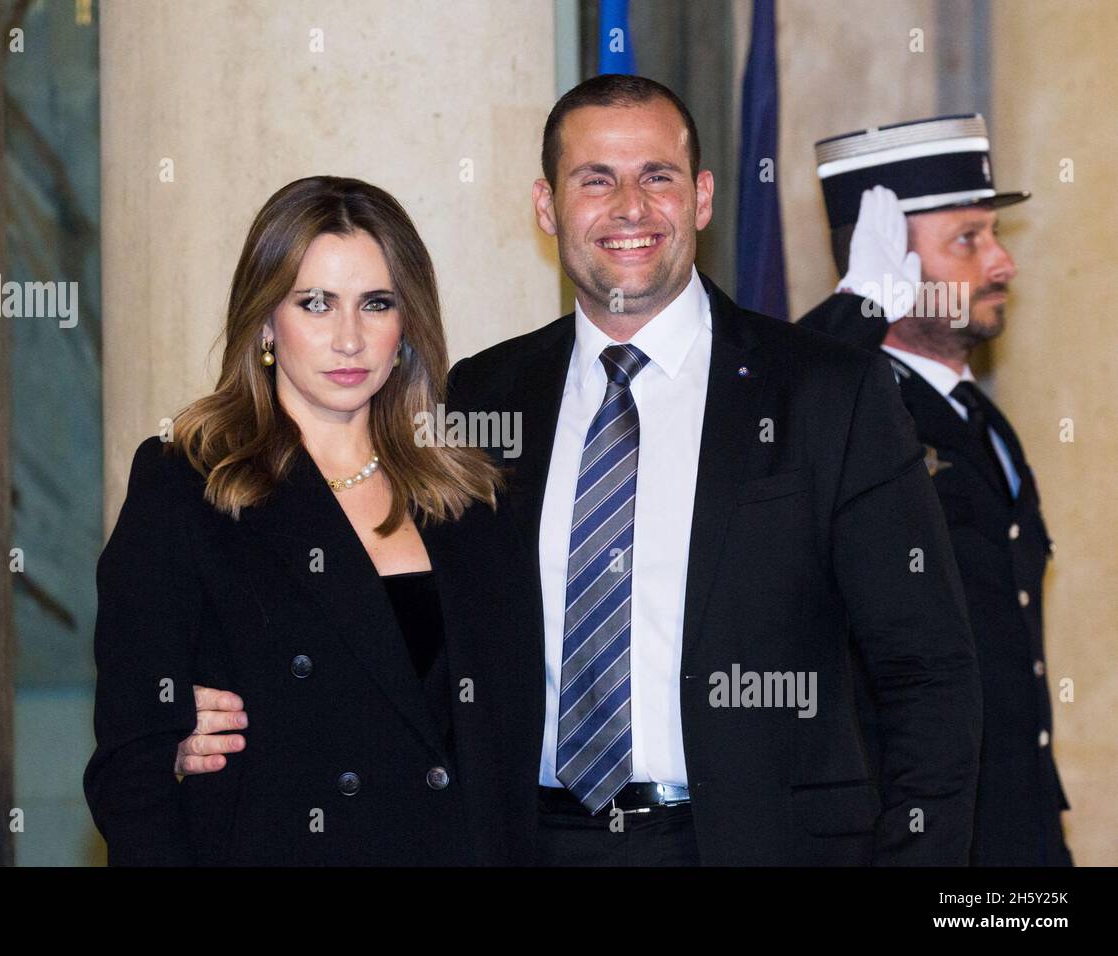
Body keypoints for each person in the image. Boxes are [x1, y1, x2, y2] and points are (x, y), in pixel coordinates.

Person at [181, 75, 983, 866]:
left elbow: (928, 670)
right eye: (595, 180)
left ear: (701, 198)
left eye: (656, 178)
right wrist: (209, 711)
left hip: (755, 844)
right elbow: (392, 638)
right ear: (547, 207)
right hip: (525, 841)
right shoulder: (479, 400)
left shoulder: (826, 392)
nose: (629, 209)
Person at [83, 176, 542, 866]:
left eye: (376, 304)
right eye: (316, 304)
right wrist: (170, 731)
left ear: (407, 326)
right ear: (266, 321)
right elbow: (130, 769)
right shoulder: (188, 483)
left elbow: (506, 751)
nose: (349, 338)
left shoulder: (470, 494)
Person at [799, 114, 1073, 866]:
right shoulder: (849, 412)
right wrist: (855, 310)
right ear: (884, 256)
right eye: (967, 240)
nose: (1003, 263)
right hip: (912, 838)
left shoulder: (980, 416)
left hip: (1017, 827)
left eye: (994, 235)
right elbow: (764, 435)